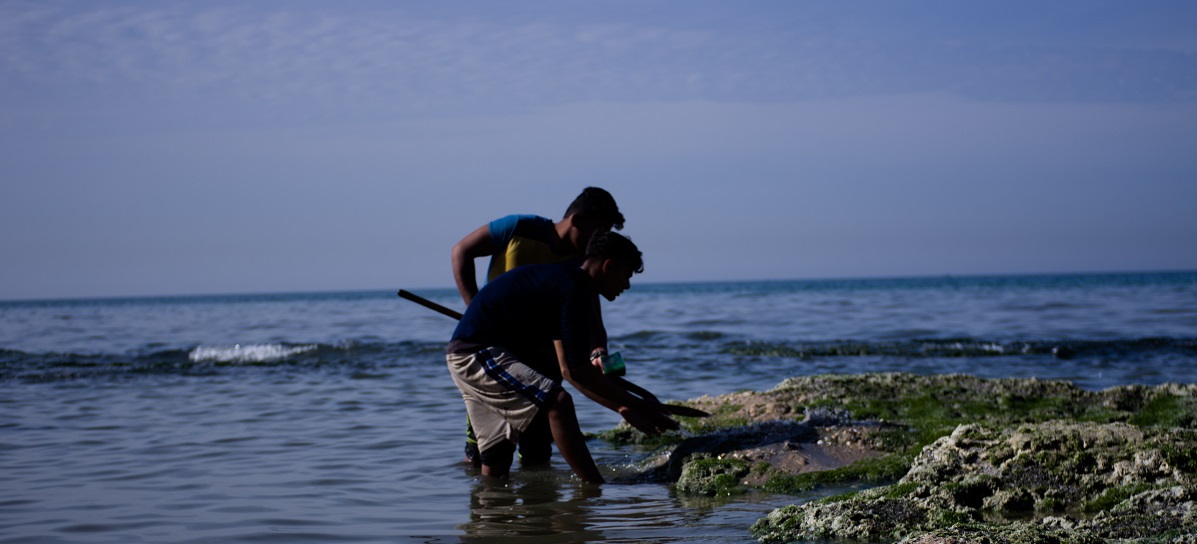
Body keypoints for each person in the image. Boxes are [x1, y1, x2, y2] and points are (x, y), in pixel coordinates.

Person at [445, 232, 678, 483]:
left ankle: (492, 517)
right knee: (558, 402)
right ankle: (593, 489)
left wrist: (622, 406)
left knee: (496, 464)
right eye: (626, 275)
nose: (627, 285)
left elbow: (568, 370)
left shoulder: (564, 283)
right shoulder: (573, 286)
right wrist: (638, 405)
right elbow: (578, 371)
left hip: (472, 357)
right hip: (477, 353)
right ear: (608, 266)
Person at [450, 187, 625, 466]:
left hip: (544, 358)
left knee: (538, 453)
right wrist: (474, 308)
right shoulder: (519, 227)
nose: (600, 240)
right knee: (486, 453)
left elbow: (592, 315)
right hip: (498, 355)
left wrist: (598, 350)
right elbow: (461, 251)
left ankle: (540, 505)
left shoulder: (582, 262)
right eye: (598, 230)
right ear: (577, 220)